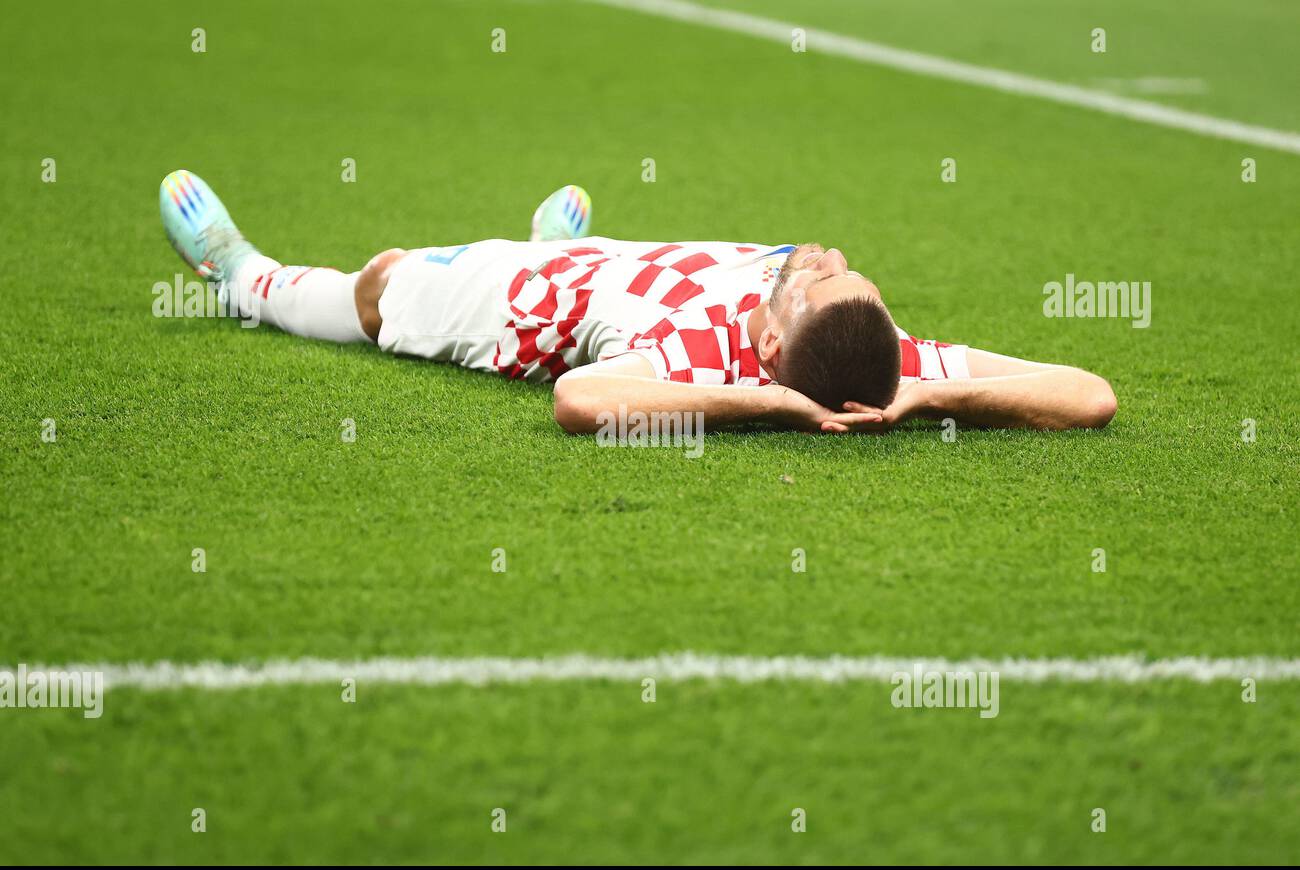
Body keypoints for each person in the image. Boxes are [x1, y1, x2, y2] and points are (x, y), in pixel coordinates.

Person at [160, 170, 1116, 434]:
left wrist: (778, 404)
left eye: (823, 278)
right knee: (591, 256)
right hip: (630, 260)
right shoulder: (887, 356)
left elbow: (582, 403)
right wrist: (931, 395)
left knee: (383, 282)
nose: (831, 256)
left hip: (541, 304)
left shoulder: (703, 356)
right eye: (850, 274)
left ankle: (245, 275)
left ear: (766, 335)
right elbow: (1091, 392)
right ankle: (562, 243)